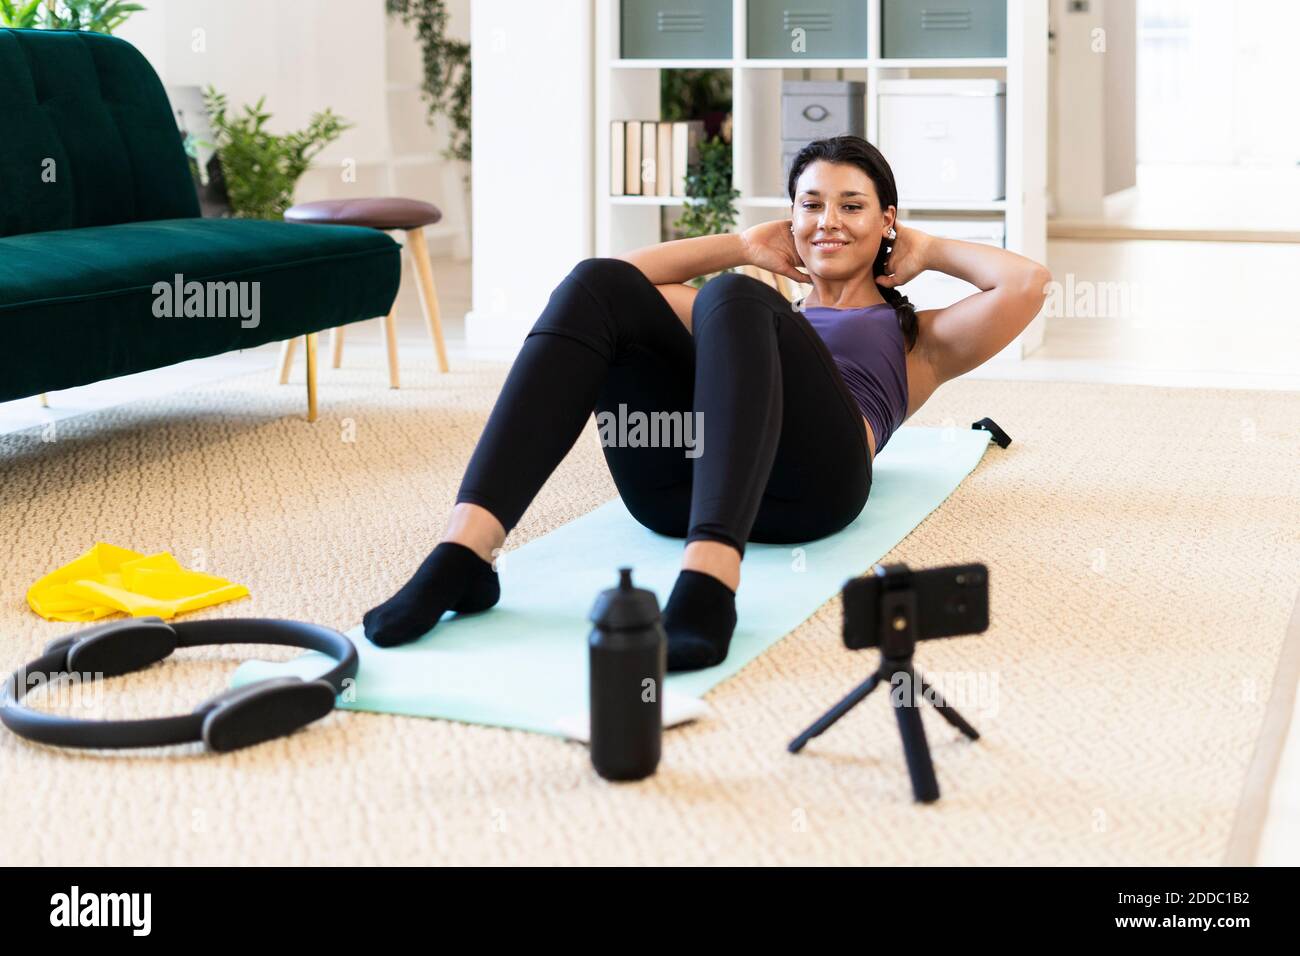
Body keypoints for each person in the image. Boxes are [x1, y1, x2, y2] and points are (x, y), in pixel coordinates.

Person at [362, 134, 1051, 670]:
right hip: (674, 492)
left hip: (815, 489)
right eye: (810, 205)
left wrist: (926, 247)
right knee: (604, 283)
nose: (827, 221)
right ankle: (464, 556)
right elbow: (610, 290)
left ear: (885, 221)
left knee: (734, 293)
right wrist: (742, 246)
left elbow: (1025, 283)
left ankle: (710, 583)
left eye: (851, 205)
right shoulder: (746, 316)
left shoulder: (917, 340)